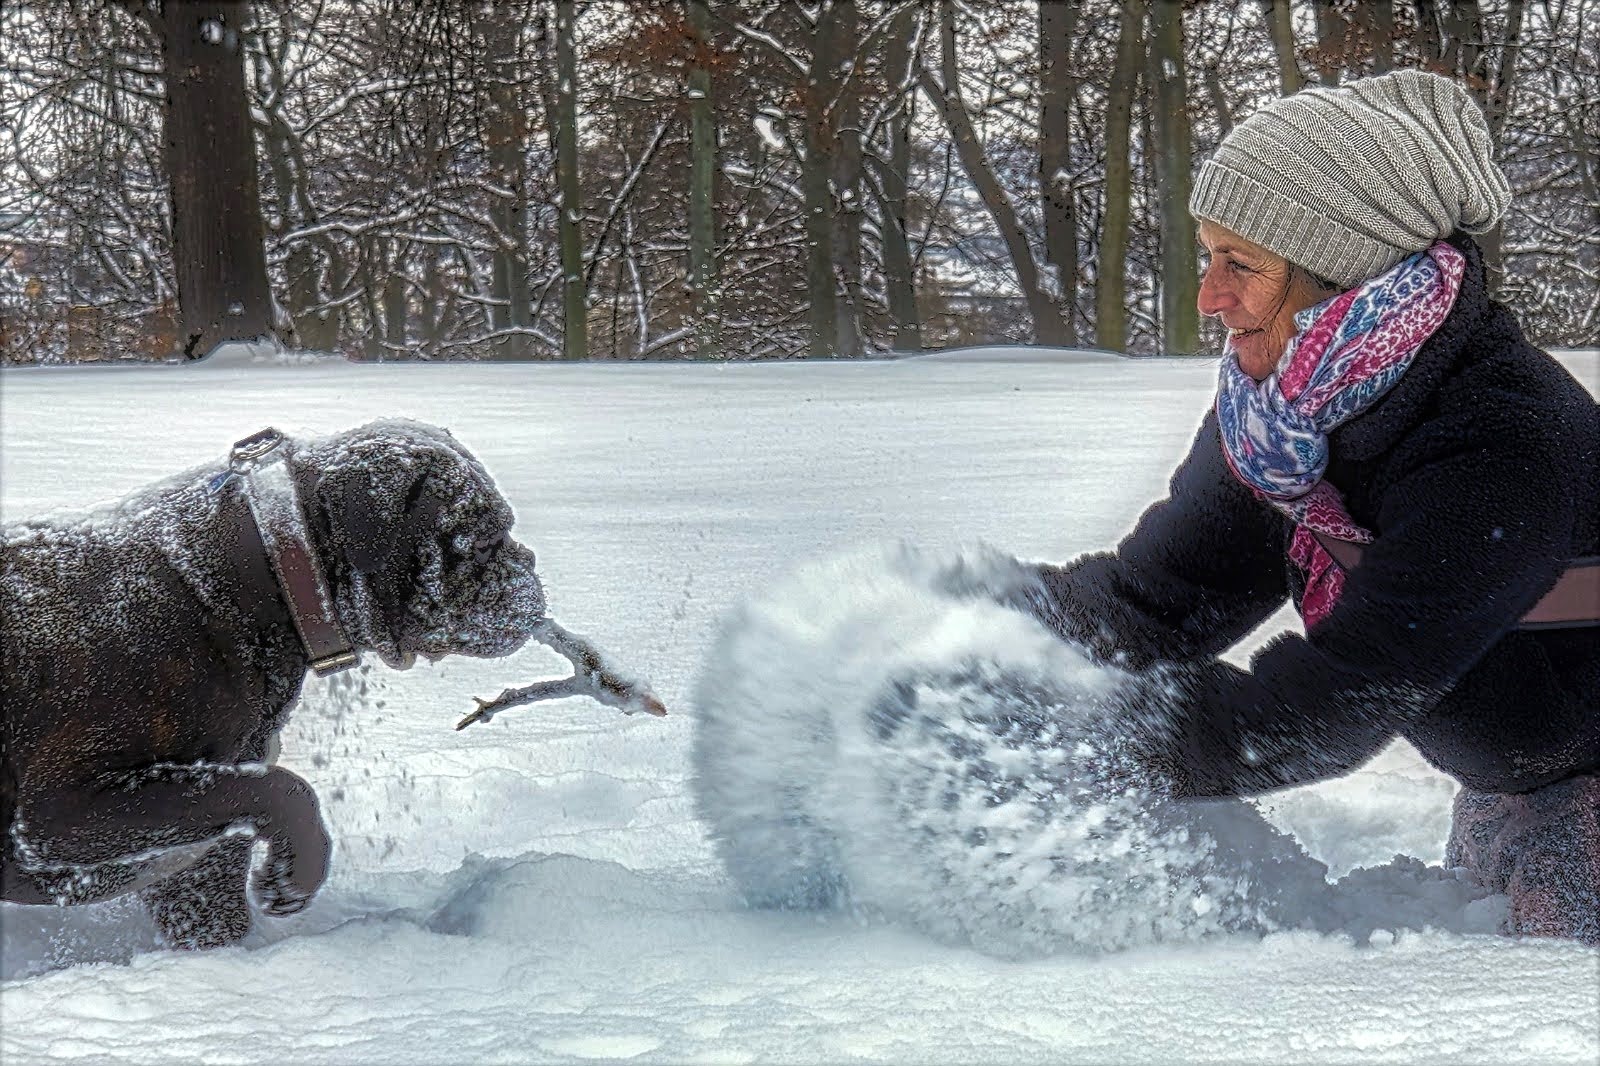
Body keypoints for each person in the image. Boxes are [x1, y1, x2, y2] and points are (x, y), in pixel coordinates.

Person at [1025, 68, 1600, 943]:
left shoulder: (1501, 436)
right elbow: (1164, 596)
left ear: (1344, 270)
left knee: (1555, 949)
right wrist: (991, 641)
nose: (1209, 297)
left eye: (1240, 264)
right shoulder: (1279, 419)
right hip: (1525, 764)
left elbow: (1346, 693)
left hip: (1565, 751)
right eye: (1208, 256)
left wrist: (1106, 744)